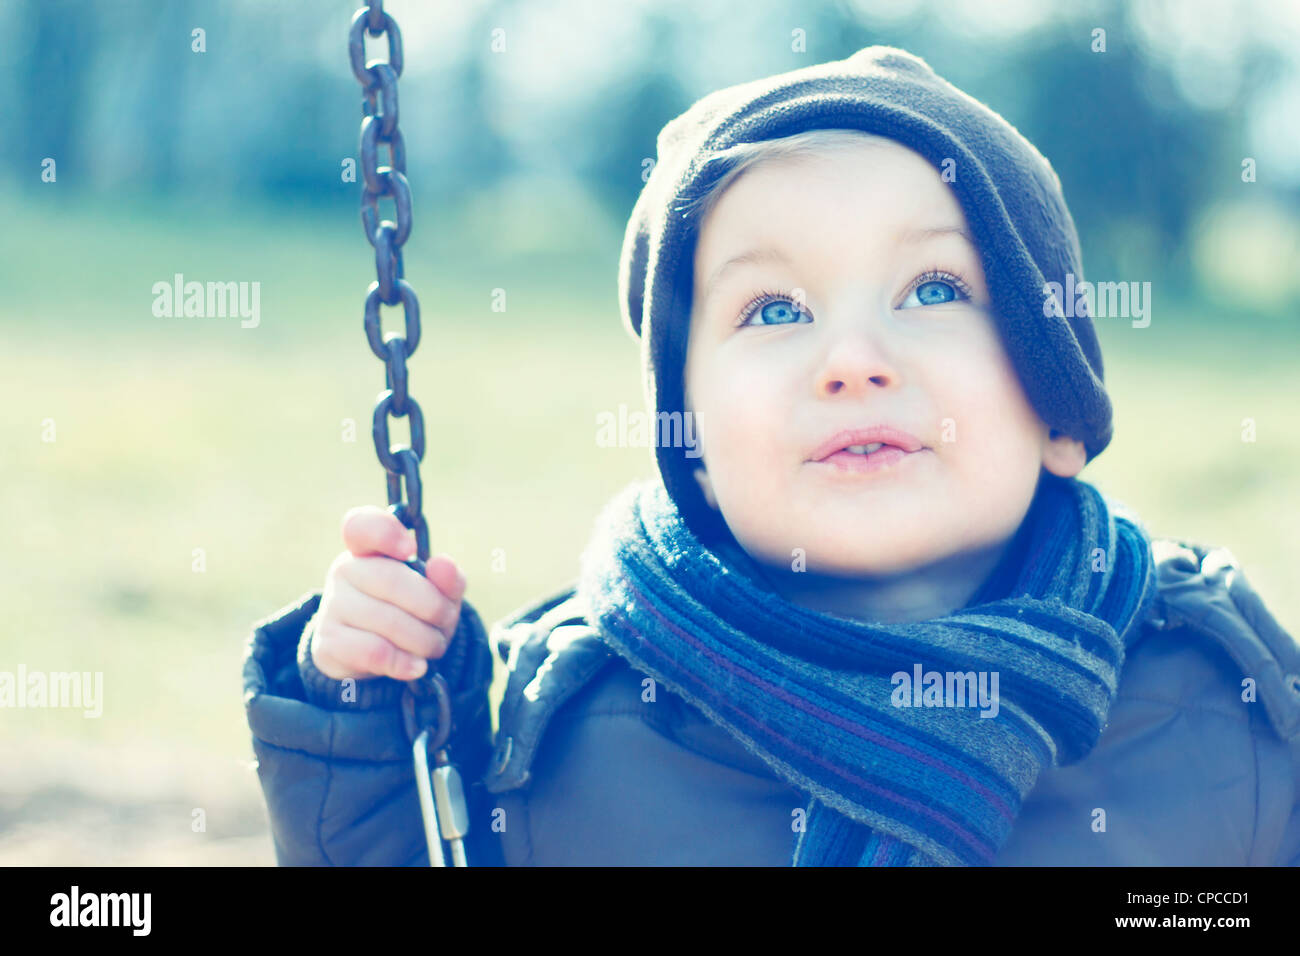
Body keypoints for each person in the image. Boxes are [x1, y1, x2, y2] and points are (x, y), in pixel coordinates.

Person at [242, 45, 1300, 866]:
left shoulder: (1218, 705)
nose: (850, 358)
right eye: (773, 307)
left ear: (1058, 404)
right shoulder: (564, 723)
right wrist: (363, 713)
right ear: (689, 443)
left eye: (934, 289)